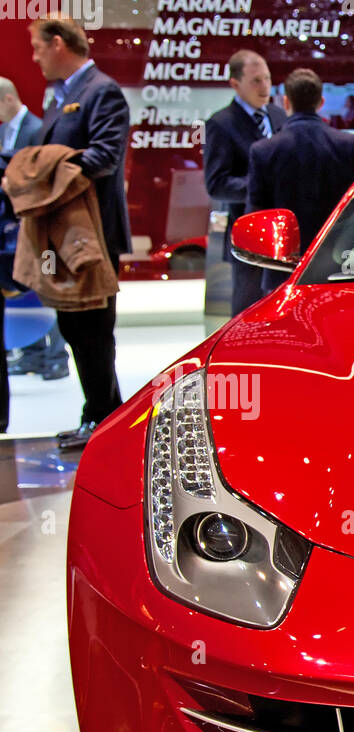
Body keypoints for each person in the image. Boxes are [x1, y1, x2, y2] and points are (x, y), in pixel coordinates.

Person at [28, 14, 130, 450]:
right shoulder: (61, 98)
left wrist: (45, 168)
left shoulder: (101, 91)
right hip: (62, 236)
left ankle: (105, 423)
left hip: (93, 236)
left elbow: (104, 155)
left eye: (36, 48)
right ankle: (98, 416)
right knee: (74, 329)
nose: (34, 58)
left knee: (92, 331)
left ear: (57, 43)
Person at [246, 69, 354, 294]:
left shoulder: (263, 151)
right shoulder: (347, 145)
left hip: (282, 268)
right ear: (321, 102)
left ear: (286, 102)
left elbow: (257, 212)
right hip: (341, 262)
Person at [204, 50, 287, 316]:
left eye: (267, 79)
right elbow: (217, 184)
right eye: (256, 81)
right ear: (235, 84)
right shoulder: (221, 124)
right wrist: (261, 187)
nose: (264, 87)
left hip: (287, 235)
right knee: (248, 313)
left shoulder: (279, 115)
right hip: (249, 237)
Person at [1, 74, 47, 432]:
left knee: (43, 289)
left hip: (30, 225)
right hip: (10, 229)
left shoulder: (37, 128)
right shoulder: (6, 132)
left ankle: (53, 356)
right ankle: (33, 353)